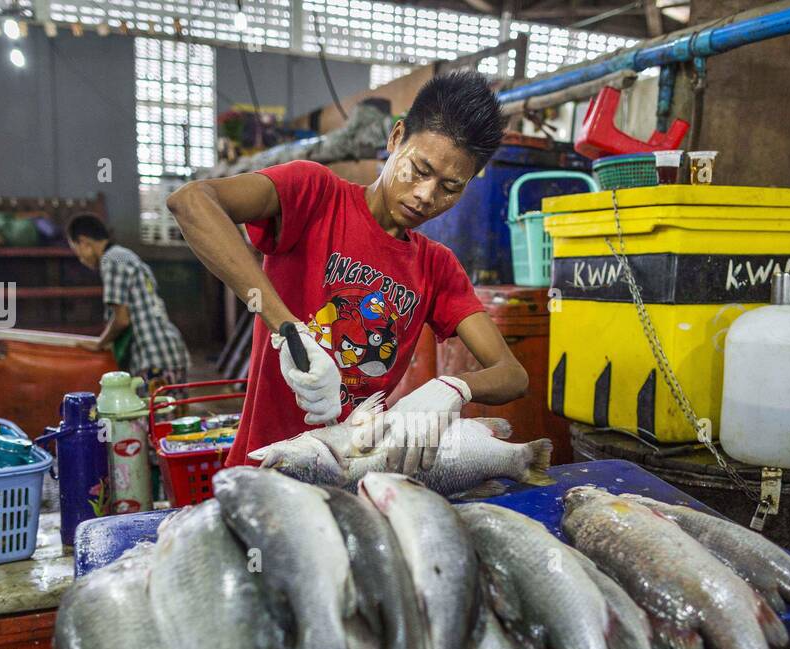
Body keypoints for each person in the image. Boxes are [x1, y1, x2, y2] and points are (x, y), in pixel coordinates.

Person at [167, 71, 529, 471]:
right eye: (420, 170)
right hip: (266, 471)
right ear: (396, 138)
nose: (426, 195)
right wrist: (290, 331)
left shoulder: (436, 266)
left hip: (357, 474)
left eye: (450, 187)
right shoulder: (316, 194)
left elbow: (511, 374)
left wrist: (454, 387)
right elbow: (192, 202)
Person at [66, 213, 192, 396]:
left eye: (77, 251)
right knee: (172, 420)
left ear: (84, 242)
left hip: (153, 357)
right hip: (170, 352)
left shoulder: (111, 259)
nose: (81, 259)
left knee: (153, 421)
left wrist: (100, 343)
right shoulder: (125, 256)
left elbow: (122, 319)